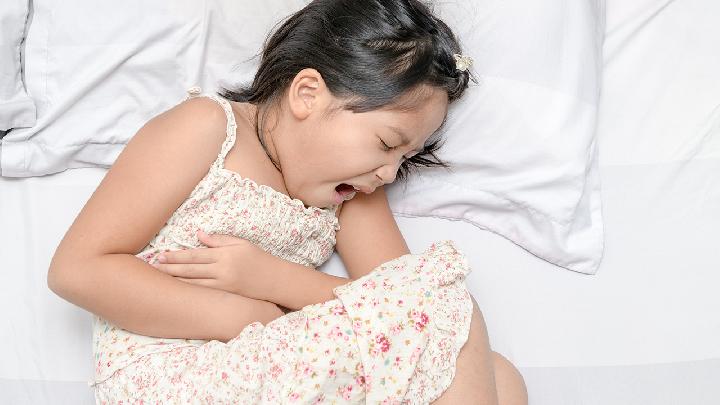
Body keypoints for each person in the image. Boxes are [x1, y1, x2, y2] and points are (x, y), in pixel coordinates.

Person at [47, 0, 528, 403]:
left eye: (405, 159)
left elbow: (399, 304)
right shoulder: (208, 128)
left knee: (497, 374)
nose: (387, 172)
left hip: (274, 365)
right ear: (307, 94)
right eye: (386, 144)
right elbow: (77, 270)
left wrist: (272, 280)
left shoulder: (355, 192)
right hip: (174, 370)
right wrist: (243, 315)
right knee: (447, 307)